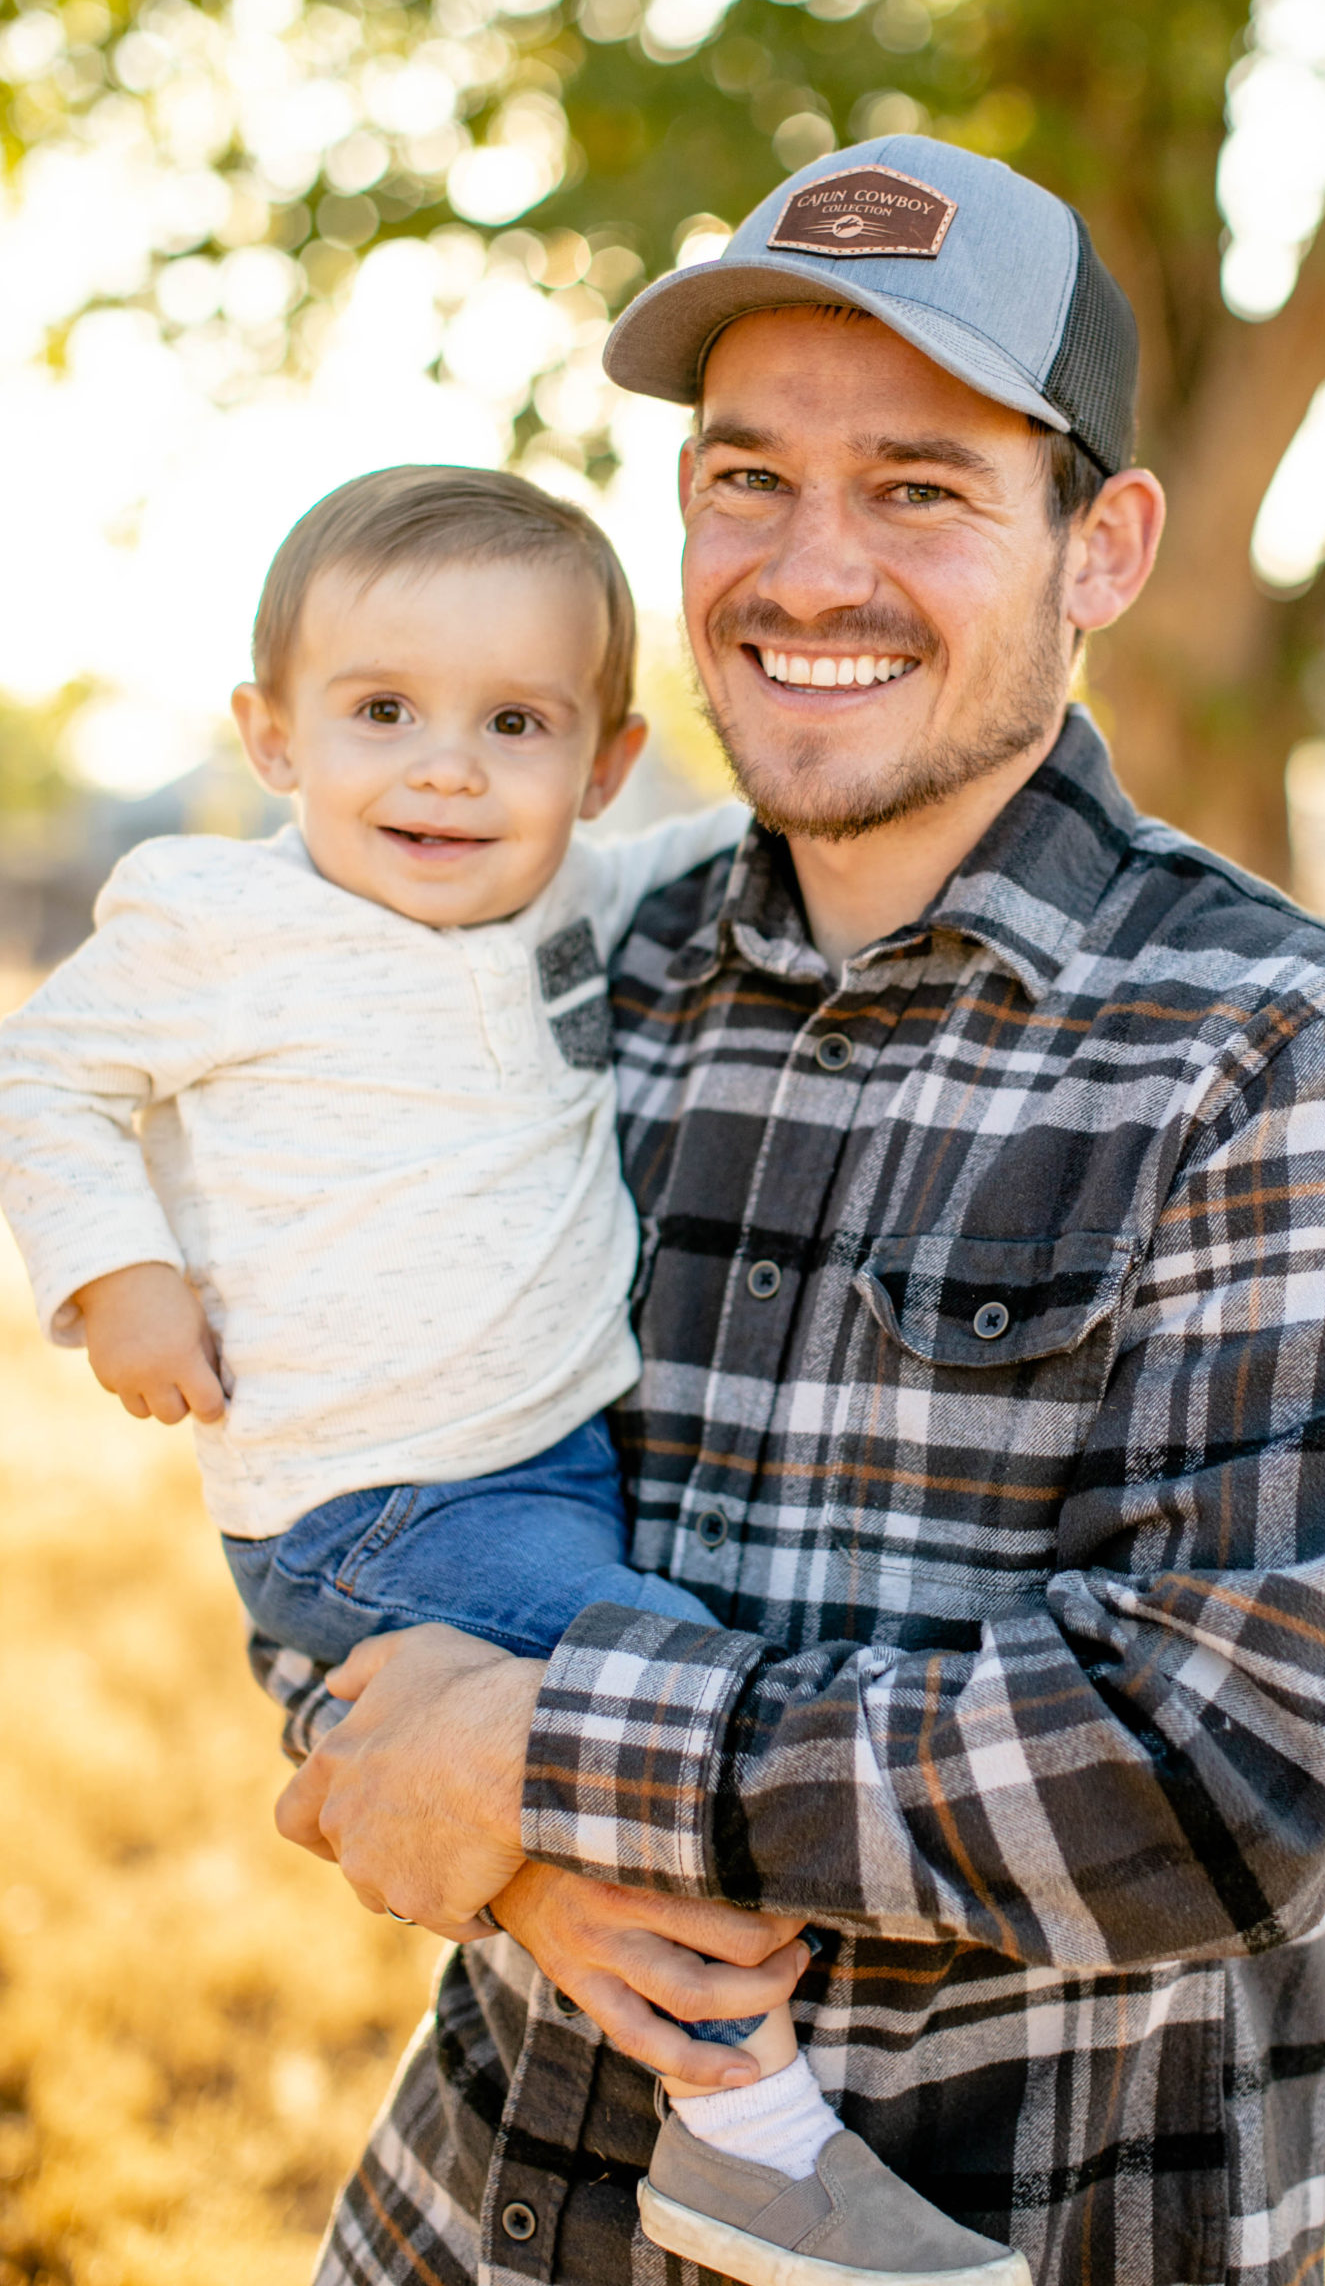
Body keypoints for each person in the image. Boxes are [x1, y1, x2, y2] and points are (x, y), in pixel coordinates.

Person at [271, 142, 1325, 2286]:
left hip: (1004, 2219)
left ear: (1099, 546)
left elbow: (1213, 1778)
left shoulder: (1285, 1051)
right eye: (747, 477)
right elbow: (345, 1446)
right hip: (481, 2202)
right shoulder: (572, 973)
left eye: (916, 487)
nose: (805, 570)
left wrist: (541, 1749)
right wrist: (484, 1833)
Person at [0, 464, 1021, 2286]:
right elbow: (44, 1078)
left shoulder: (574, 902)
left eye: (515, 724)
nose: (448, 769)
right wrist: (118, 1274)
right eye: (381, 711)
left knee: (640, 1761)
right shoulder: (219, 922)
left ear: (604, 766)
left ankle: (713, 2111)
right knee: (678, 1722)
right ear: (270, 733)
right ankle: (759, 2147)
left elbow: (766, 844)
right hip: (380, 1492)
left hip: (541, 1465)